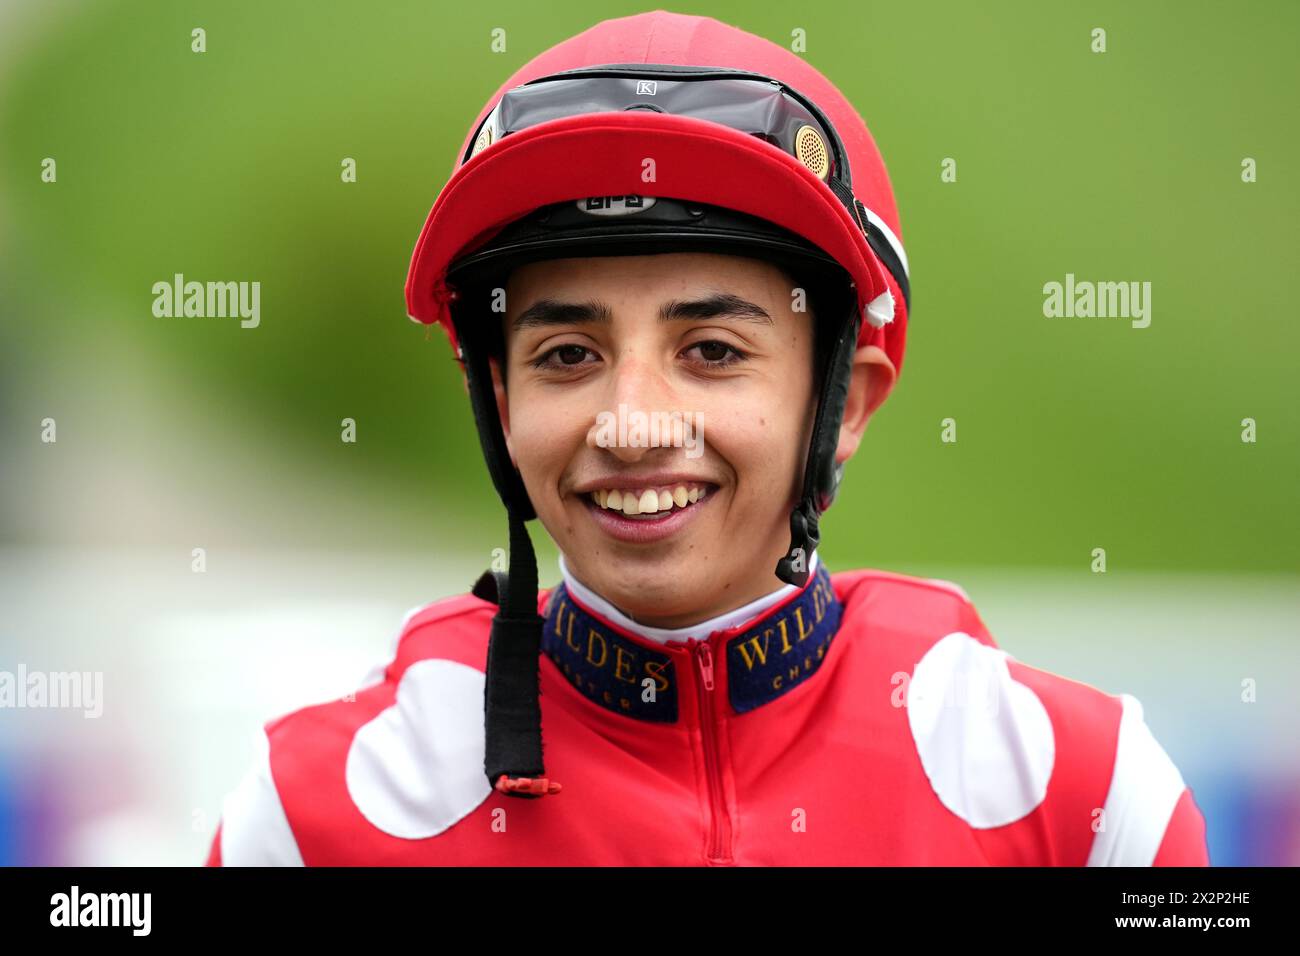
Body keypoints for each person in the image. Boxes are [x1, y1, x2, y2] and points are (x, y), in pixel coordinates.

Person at [205, 10, 1209, 866]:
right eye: (566, 353)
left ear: (846, 404)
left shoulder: (1091, 796)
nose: (632, 422)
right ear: (497, 398)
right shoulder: (305, 815)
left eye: (714, 349)